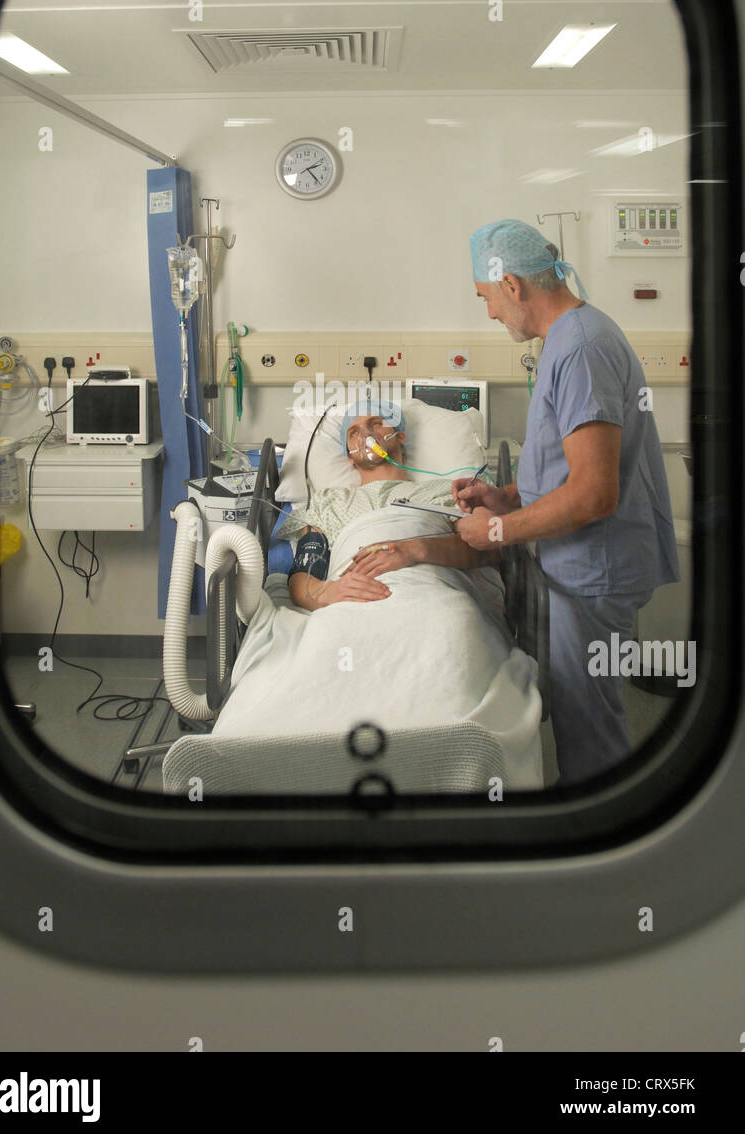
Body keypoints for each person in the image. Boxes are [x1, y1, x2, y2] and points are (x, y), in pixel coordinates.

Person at [452, 218, 680, 785]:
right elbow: (566, 463)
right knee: (584, 710)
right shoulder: (572, 338)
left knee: (591, 723)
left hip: (594, 571)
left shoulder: (581, 349)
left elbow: (594, 492)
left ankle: (602, 838)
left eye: (486, 299)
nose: (489, 314)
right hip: (582, 566)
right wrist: (505, 497)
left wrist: (495, 533)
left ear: (511, 286)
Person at [276, 402, 499, 611]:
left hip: (435, 598)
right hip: (354, 607)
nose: (365, 433)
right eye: (354, 432)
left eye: (376, 423)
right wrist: (325, 593)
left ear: (400, 436)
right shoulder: (330, 501)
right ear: (350, 458)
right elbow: (303, 573)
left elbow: (485, 549)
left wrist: (416, 550)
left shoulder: (447, 491)